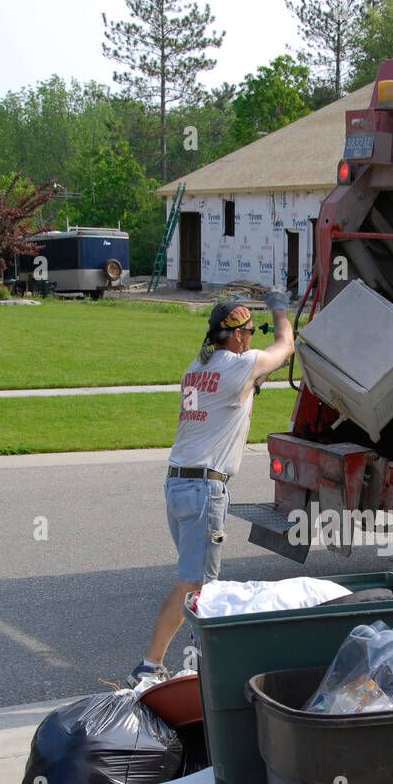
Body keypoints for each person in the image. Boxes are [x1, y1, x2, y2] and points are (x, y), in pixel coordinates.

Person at [129, 290, 295, 684]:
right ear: (235, 336)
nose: (253, 337)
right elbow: (286, 345)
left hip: (178, 484)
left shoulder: (195, 368)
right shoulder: (239, 366)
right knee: (194, 584)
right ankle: (150, 667)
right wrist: (279, 307)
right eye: (251, 331)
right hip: (205, 490)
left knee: (202, 583)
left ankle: (200, 665)